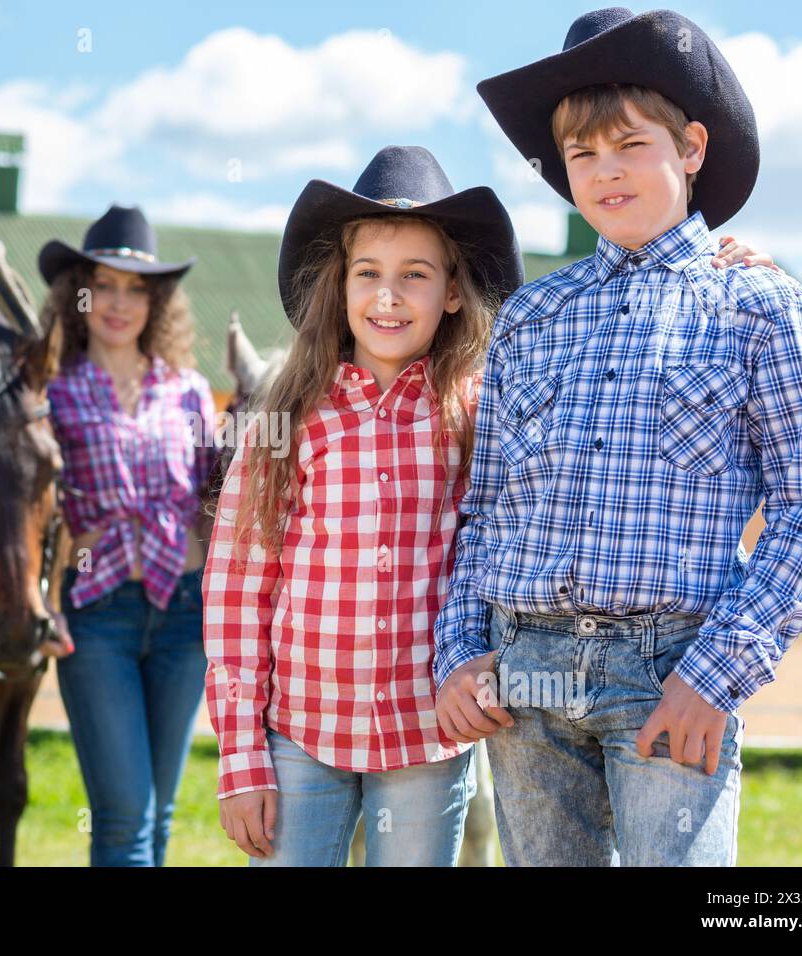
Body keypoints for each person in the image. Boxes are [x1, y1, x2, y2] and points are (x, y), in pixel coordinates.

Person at [435, 7, 802, 866]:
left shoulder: (761, 308)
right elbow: (487, 511)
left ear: (691, 148)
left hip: (673, 667)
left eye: (629, 145)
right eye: (582, 155)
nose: (604, 172)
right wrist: (460, 651)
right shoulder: (531, 316)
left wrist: (716, 675)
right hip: (525, 671)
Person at [204, 145, 525, 866]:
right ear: (340, 286)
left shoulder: (479, 417)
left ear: (451, 291)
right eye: (369, 274)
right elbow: (236, 595)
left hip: (425, 738)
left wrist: (710, 269)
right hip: (301, 735)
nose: (389, 295)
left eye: (416, 275)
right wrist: (240, 757)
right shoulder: (286, 422)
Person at [39, 204, 216, 866]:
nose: (118, 304)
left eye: (135, 289)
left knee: (160, 814)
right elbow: (33, 509)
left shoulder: (190, 391)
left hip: (183, 614)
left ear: (156, 301)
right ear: (77, 296)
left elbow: (211, 500)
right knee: (124, 815)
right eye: (104, 286)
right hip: (96, 617)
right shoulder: (53, 392)